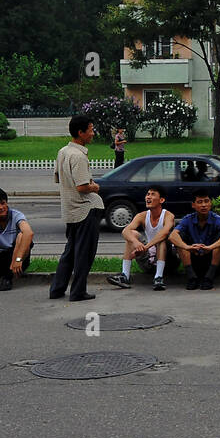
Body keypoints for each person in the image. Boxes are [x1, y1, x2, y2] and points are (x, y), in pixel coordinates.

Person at [51, 115, 103, 302]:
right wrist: (95, 187)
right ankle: (78, 291)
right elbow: (82, 186)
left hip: (70, 210)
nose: (92, 133)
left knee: (70, 252)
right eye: (90, 129)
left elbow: (59, 178)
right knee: (84, 254)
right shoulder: (79, 156)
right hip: (85, 210)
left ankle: (57, 288)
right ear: (80, 133)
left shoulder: (63, 151)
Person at [107, 185, 174, 290]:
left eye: (153, 195)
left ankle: (159, 278)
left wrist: (145, 247)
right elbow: (125, 231)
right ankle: (125, 276)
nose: (148, 197)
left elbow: (164, 233)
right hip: (148, 261)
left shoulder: (168, 216)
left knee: (161, 240)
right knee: (131, 235)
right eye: (148, 194)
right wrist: (136, 243)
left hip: (167, 262)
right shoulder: (141, 216)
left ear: (161, 200)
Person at [170, 192, 220, 290]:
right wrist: (187, 247)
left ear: (210, 203)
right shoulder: (188, 219)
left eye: (206, 201)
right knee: (179, 238)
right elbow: (172, 236)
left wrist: (211, 247)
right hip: (194, 261)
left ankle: (209, 278)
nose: (204, 205)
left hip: (214, 262)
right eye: (199, 202)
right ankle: (191, 278)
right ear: (193, 205)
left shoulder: (217, 219)